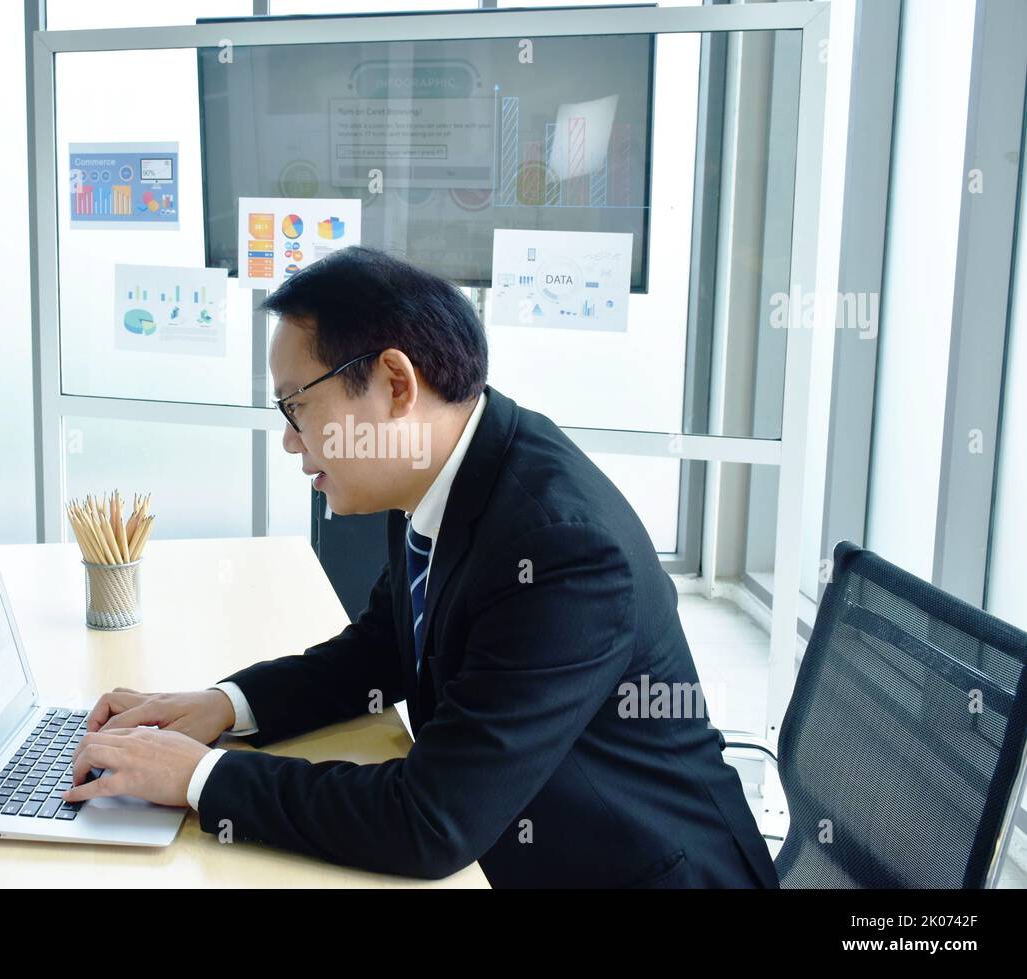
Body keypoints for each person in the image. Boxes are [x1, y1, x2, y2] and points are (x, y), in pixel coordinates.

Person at [65, 245, 778, 887]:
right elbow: (384, 650)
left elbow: (431, 821)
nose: (289, 441)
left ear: (395, 384)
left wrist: (201, 778)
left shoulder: (562, 550)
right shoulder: (452, 470)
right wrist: (224, 706)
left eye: (296, 406)